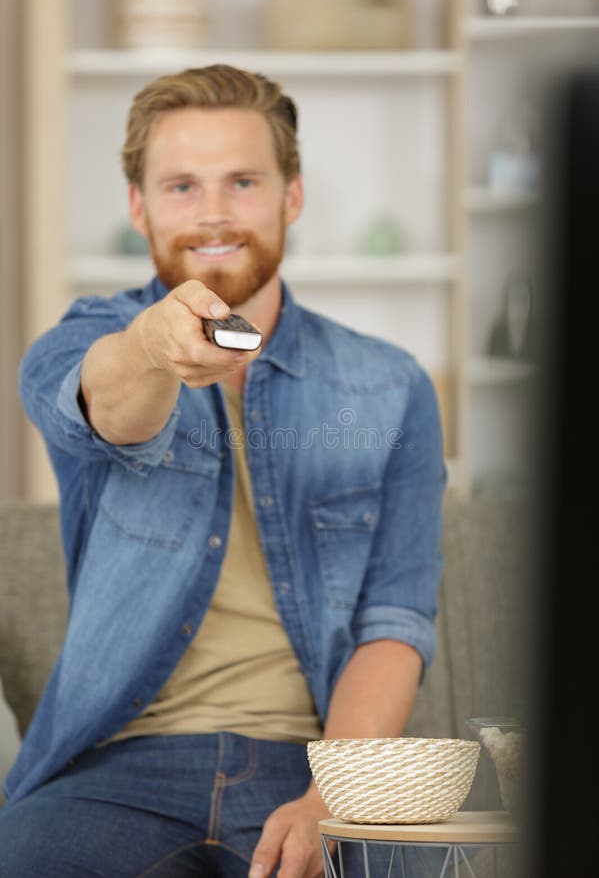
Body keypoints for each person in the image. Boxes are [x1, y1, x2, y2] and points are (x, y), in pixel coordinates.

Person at [0, 64, 446, 877]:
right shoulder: (82, 342)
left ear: (292, 196)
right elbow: (106, 404)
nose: (212, 213)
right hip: (115, 768)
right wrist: (150, 345)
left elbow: (395, 619)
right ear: (137, 205)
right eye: (180, 186)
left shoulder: (392, 385)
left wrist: (330, 799)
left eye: (243, 181)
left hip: (312, 763)